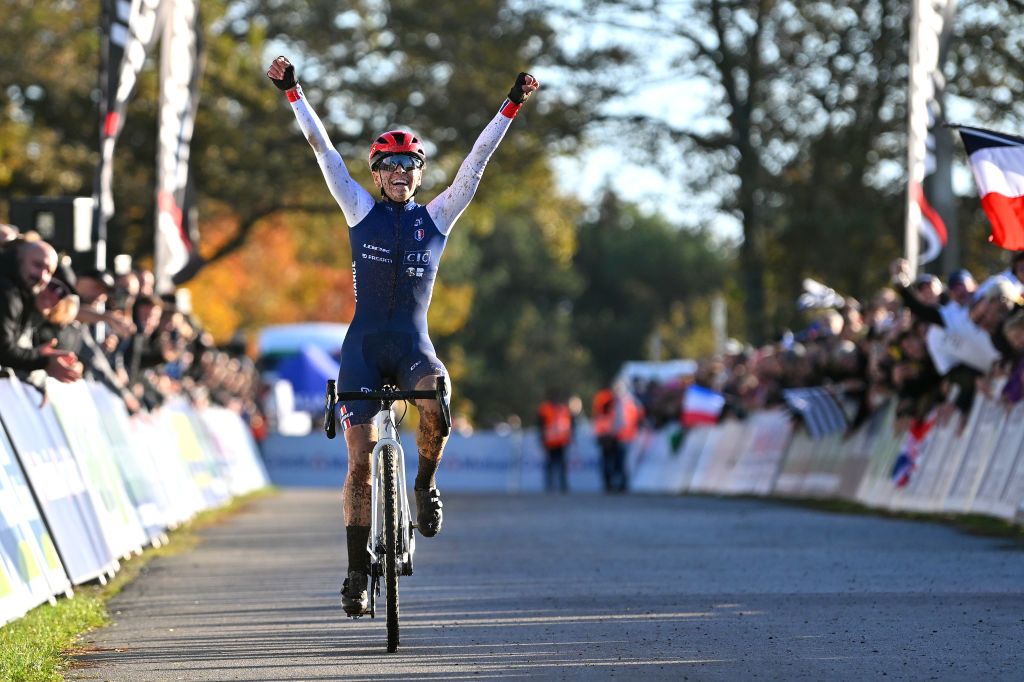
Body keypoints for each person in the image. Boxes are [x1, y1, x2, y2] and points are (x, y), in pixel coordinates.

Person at [267, 55, 539, 617]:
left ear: (419, 172)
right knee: (360, 463)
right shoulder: (358, 207)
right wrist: (294, 93)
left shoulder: (437, 217)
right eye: (389, 164)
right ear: (374, 173)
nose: (400, 172)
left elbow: (476, 163)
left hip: (413, 347)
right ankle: (354, 571)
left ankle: (425, 485)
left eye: (409, 164)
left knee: (438, 396)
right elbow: (324, 152)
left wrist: (510, 105)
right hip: (364, 351)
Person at [0, 238, 82, 383]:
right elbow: (4, 350)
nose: (42, 276)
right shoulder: (7, 291)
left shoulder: (20, 294)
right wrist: (44, 360)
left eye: (49, 272)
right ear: (18, 258)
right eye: (37, 265)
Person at [592, 381, 642, 493]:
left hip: (622, 437)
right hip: (608, 436)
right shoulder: (605, 400)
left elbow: (635, 419)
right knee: (608, 461)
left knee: (620, 462)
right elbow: (600, 417)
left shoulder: (629, 402)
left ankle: (621, 484)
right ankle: (609, 484)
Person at [537, 389, 573, 493]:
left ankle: (563, 485)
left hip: (562, 441)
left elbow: (569, 425)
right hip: (550, 442)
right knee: (550, 464)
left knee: (562, 465)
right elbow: (541, 424)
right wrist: (542, 437)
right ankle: (550, 485)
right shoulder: (545, 409)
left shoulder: (564, 409)